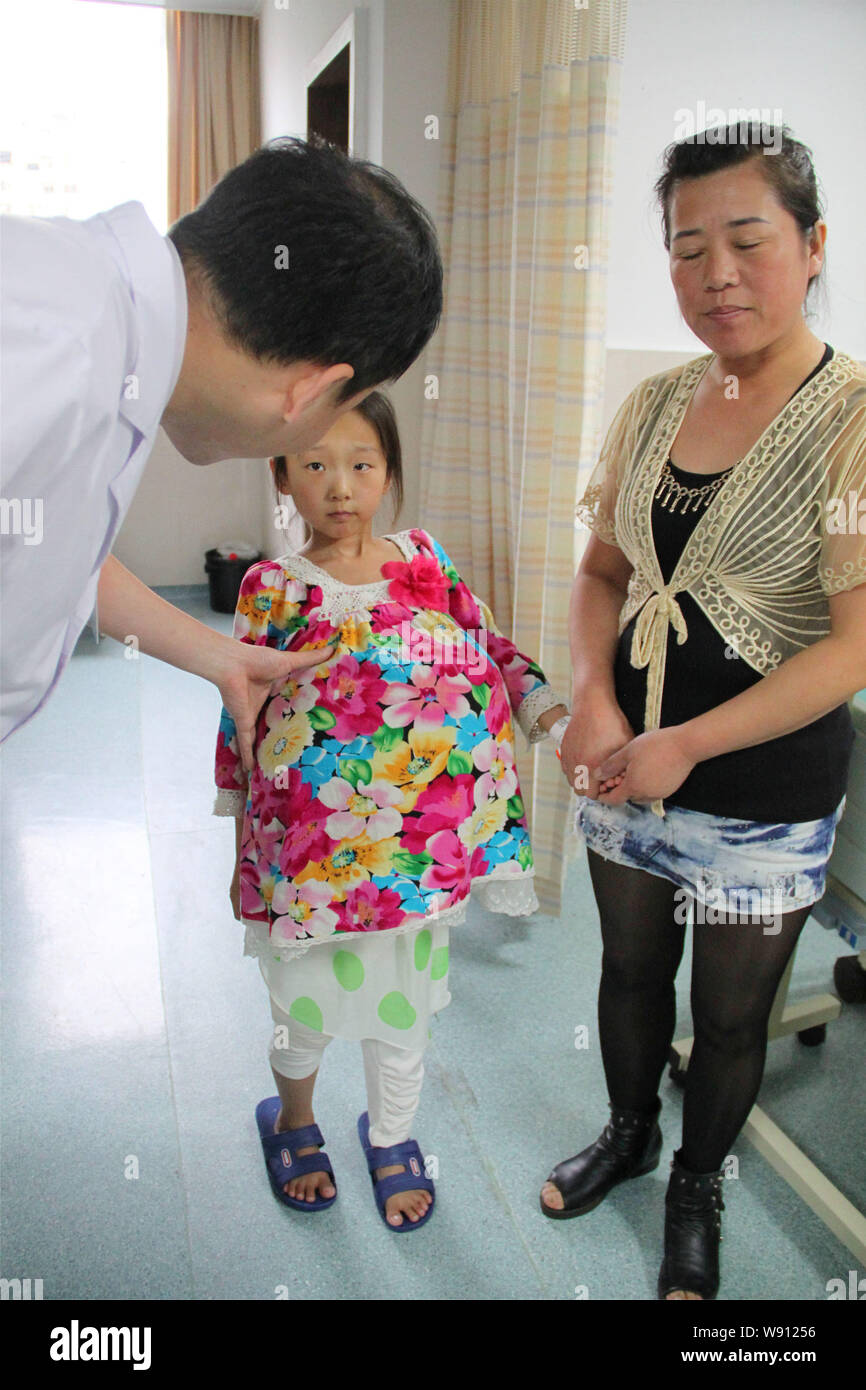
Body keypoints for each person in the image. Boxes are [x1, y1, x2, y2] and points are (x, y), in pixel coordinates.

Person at [540, 124, 866, 1300]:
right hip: (626, 763)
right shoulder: (655, 400)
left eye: (746, 239)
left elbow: (851, 648)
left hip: (759, 791)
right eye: (686, 247)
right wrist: (591, 697)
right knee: (628, 971)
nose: (714, 273)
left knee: (729, 1021)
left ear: (812, 244)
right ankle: (627, 1133)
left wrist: (688, 742)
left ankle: (694, 1183)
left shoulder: (848, 421)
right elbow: (599, 575)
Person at [213, 391, 569, 1229]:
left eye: (362, 465)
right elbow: (238, 709)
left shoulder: (425, 562)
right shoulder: (272, 588)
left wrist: (546, 710)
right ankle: (293, 1118)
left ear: (389, 474)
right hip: (311, 864)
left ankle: (394, 1135)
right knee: (301, 1017)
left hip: (416, 857)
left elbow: (488, 645)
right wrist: (242, 840)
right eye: (315, 465)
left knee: (401, 1019)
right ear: (281, 475)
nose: (341, 486)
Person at [0, 137, 442, 768]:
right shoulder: (52, 353)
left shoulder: (100, 329)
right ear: (310, 390)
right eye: (346, 403)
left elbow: (49, 540)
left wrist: (222, 658)